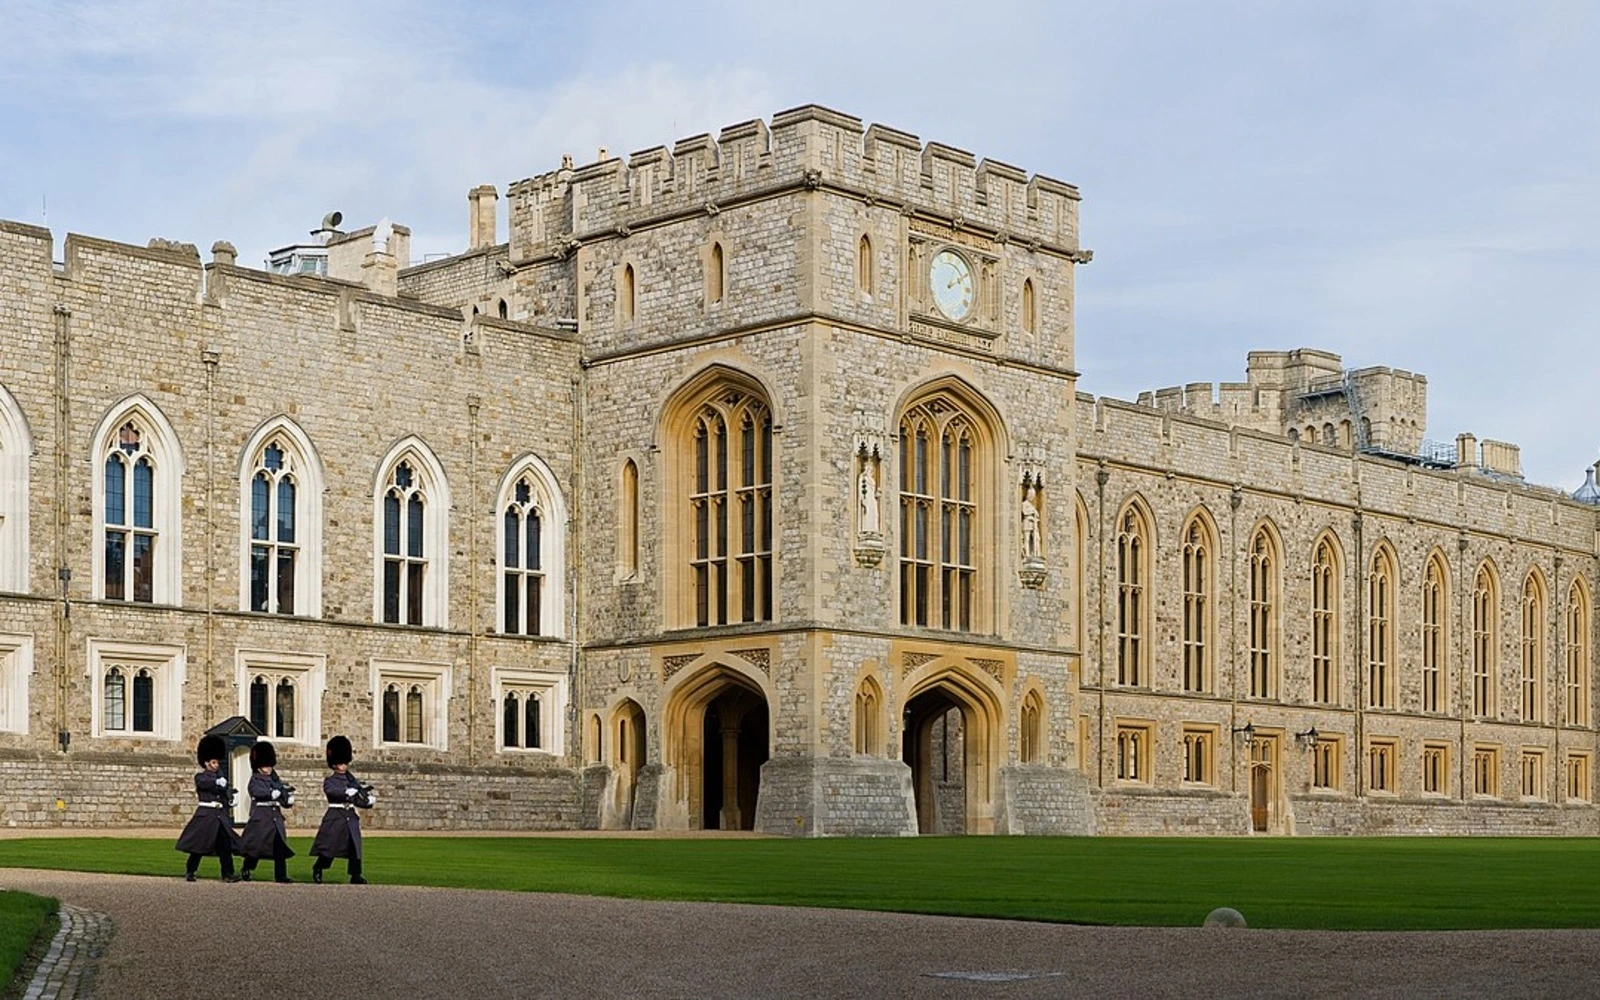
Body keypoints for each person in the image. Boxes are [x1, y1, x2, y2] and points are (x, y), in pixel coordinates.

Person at [174, 734, 243, 882]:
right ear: (206, 763)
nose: (216, 765)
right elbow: (205, 783)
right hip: (206, 815)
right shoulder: (201, 776)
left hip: (219, 816)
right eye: (213, 762)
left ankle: (228, 874)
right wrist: (218, 782)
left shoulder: (221, 778)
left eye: (217, 762)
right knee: (198, 846)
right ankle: (190, 871)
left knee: (225, 846)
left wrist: (230, 798)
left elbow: (224, 795)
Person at [310, 735, 375, 884]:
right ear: (334, 764)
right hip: (335, 816)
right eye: (340, 762)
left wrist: (368, 802)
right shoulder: (330, 780)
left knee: (354, 847)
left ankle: (355, 875)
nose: (343, 765)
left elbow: (357, 798)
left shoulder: (352, 780)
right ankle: (319, 867)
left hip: (350, 816)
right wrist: (345, 792)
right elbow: (331, 791)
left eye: (345, 762)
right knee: (330, 848)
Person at [239, 740, 296, 883]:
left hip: (275, 817)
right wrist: (271, 793)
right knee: (256, 848)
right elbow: (256, 792)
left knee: (279, 847)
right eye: (265, 765)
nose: (268, 768)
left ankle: (281, 875)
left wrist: (287, 800)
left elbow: (281, 795)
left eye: (270, 765)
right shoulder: (255, 780)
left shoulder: (275, 780)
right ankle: (247, 867)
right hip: (261, 817)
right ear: (258, 766)